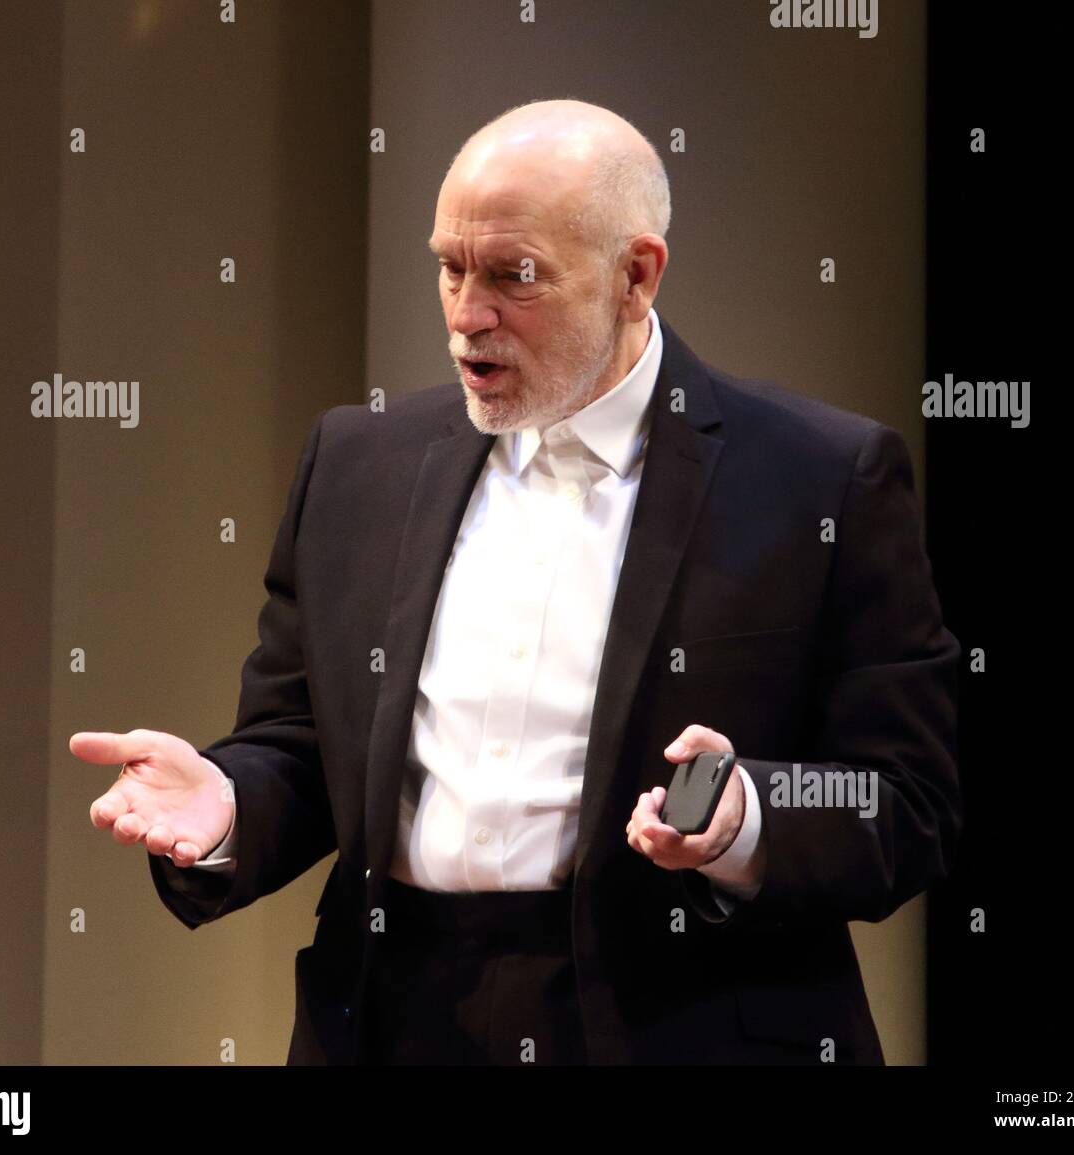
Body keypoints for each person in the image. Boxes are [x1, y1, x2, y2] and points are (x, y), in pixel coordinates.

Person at [72, 98, 960, 1066]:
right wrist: (228, 804)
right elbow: (299, 744)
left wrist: (743, 818)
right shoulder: (359, 460)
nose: (465, 315)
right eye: (449, 268)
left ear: (635, 274)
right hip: (395, 1015)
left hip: (685, 1019)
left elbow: (904, 804)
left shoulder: (819, 475)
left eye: (513, 277)